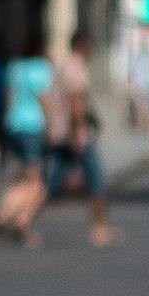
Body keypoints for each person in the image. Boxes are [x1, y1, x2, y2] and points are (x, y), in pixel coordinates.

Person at [45, 31, 115, 244]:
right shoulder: (76, 68)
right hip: (78, 134)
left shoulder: (62, 65)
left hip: (62, 131)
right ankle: (100, 228)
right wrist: (77, 135)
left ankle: (19, 216)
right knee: (96, 180)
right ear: (82, 45)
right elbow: (76, 104)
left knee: (51, 182)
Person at [0, 35, 55, 242]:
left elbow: (8, 97)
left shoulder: (14, 67)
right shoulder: (41, 68)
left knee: (21, 178)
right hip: (32, 125)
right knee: (37, 184)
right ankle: (14, 218)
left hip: (13, 124)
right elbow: (43, 97)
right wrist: (51, 124)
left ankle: (10, 215)